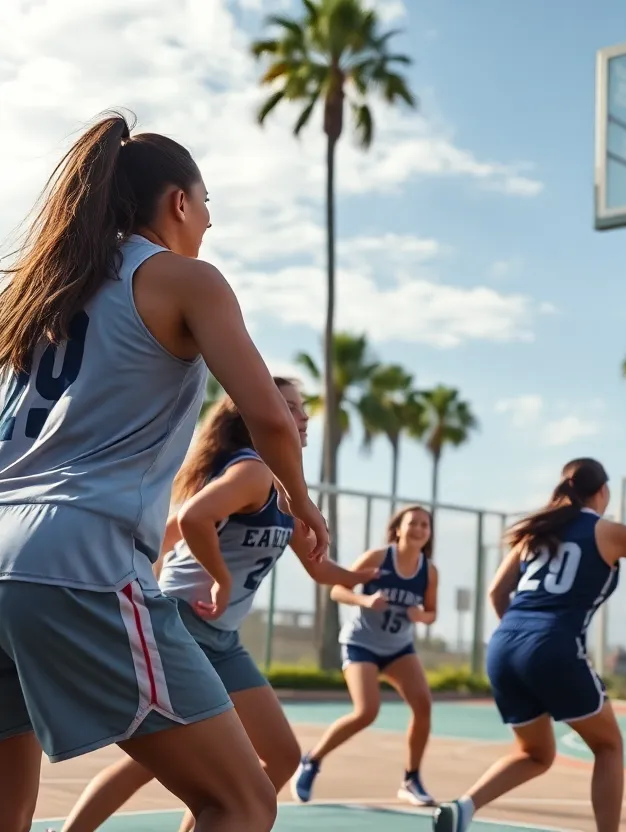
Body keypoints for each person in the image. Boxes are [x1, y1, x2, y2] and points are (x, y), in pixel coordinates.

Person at [0, 112, 328, 832]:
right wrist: (302, 502)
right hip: (79, 557)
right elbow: (271, 416)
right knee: (242, 800)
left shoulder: (43, 295)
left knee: (8, 810)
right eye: (206, 203)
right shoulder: (185, 280)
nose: (209, 222)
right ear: (179, 202)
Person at [60, 378, 371, 832]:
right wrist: (220, 579)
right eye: (289, 407)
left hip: (221, 639)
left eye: (303, 409)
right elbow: (191, 519)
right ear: (256, 416)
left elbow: (321, 570)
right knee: (155, 761)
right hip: (184, 626)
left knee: (281, 756)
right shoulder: (253, 472)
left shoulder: (285, 487)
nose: (302, 417)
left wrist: (366, 580)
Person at [432, 460, 626, 832]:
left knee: (535, 754)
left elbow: (496, 592)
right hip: (551, 644)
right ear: (602, 492)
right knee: (608, 746)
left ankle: (462, 808)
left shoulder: (535, 531)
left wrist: (523, 643)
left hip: (503, 646)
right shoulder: (608, 532)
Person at [293, 505, 439, 806]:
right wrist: (364, 599)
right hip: (362, 643)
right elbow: (337, 590)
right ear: (398, 528)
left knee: (423, 704)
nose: (419, 529)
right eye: (413, 523)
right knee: (366, 711)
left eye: (425, 525)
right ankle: (312, 760)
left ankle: (411, 779)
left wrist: (420, 616)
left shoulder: (429, 571)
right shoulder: (378, 558)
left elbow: (431, 613)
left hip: (399, 647)